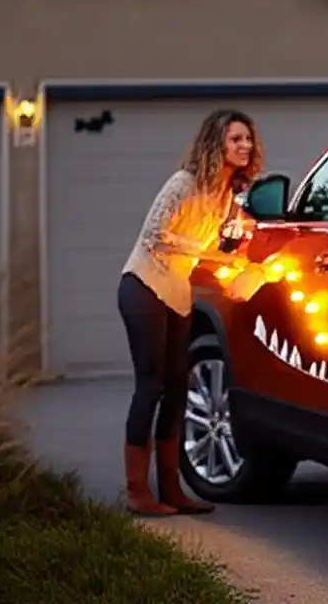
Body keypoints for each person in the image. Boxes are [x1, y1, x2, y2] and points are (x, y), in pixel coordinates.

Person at [118, 109, 264, 516]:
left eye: (248, 140)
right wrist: (211, 254)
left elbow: (212, 258)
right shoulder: (183, 185)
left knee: (179, 388)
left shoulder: (227, 197)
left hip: (178, 292)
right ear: (216, 143)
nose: (244, 146)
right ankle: (137, 492)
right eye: (236, 139)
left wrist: (241, 273)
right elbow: (156, 237)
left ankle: (172, 489)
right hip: (144, 286)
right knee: (151, 385)